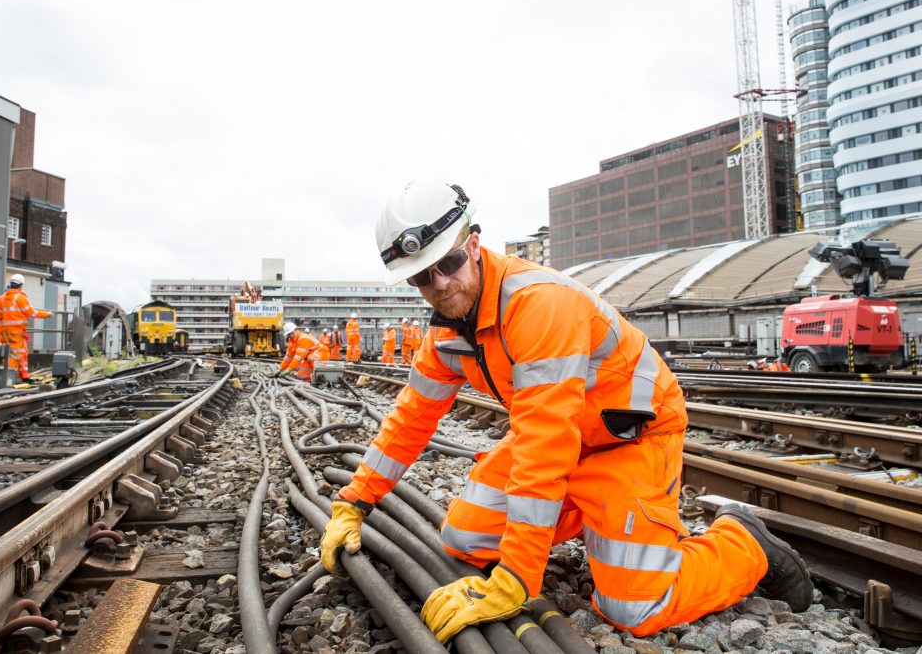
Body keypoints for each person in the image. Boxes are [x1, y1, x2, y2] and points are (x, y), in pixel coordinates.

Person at [319, 180, 813, 643]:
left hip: (628, 440)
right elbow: (409, 420)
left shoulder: (538, 305)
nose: (440, 284)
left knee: (633, 610)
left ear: (473, 243)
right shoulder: (447, 333)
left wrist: (516, 577)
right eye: (422, 277)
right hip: (570, 440)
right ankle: (603, 519)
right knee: (464, 535)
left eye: (447, 263)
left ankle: (742, 543)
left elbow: (543, 441)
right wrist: (354, 502)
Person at [0, 274, 52, 381]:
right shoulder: (20, 298)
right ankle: (8, 380)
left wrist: (1, 317)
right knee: (15, 355)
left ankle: (20, 376)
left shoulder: (3, 297)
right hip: (15, 331)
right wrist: (47, 314)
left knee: (12, 353)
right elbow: (32, 313)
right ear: (21, 285)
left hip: (5, 331)